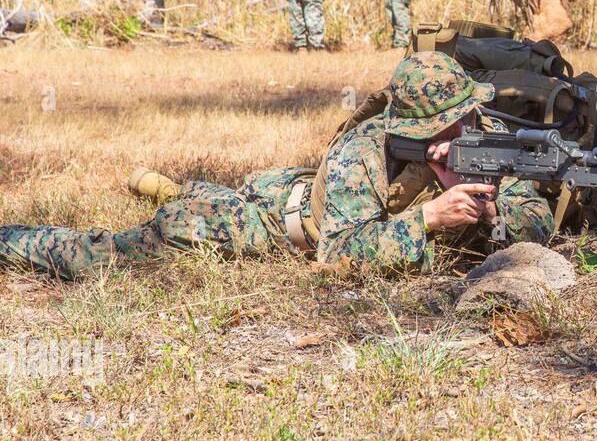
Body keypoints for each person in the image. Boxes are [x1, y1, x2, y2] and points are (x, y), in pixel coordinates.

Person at [0, 54, 553, 279]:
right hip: (280, 221)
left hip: (296, 188)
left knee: (205, 193)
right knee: (146, 239)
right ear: (411, 130)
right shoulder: (363, 151)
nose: (463, 130)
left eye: (467, 117)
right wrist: (429, 218)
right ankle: (13, 238)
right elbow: (338, 253)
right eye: (447, 124)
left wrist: (487, 210)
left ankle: (171, 186)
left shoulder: (491, 140)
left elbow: (538, 223)